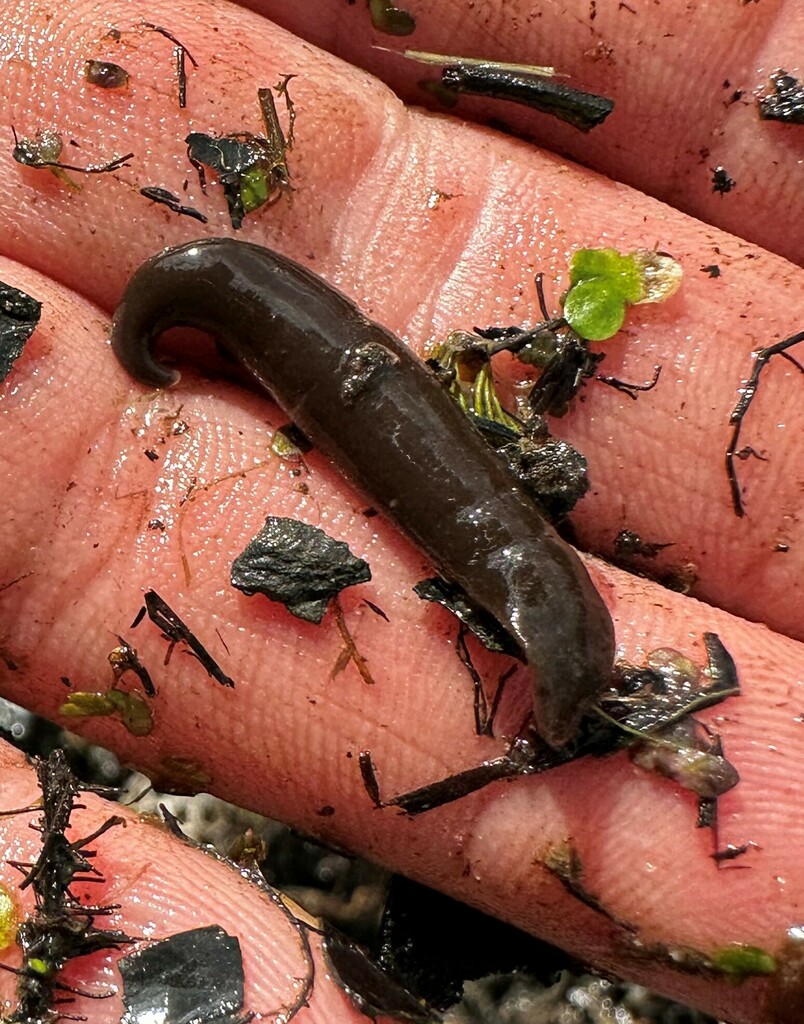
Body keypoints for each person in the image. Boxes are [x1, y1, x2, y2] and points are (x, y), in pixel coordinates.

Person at [0, 2, 802, 1021]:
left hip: (446, 492)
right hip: (289, 343)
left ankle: (561, 669)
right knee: (470, 514)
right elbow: (216, 283)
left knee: (489, 532)